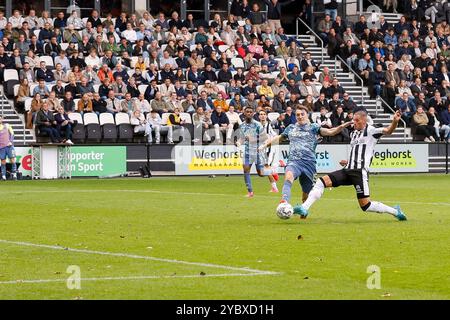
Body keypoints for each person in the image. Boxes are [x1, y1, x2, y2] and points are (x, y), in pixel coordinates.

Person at [294, 108, 407, 221]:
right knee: (321, 182)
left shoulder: (371, 131)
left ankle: (396, 211)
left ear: (364, 120)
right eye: (353, 120)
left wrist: (395, 121)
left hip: (359, 172)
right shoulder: (353, 133)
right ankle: (304, 208)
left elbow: (388, 131)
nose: (354, 122)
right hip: (348, 170)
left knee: (365, 206)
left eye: (357, 120)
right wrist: (349, 161)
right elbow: (358, 152)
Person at [260, 105, 352, 207]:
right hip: (294, 161)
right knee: (289, 176)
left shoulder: (314, 127)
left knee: (306, 195)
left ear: (307, 115)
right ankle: (284, 201)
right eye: (297, 115)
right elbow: (278, 138)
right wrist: (264, 146)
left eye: (302, 114)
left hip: (309, 164)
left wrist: (343, 126)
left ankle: (303, 212)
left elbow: (330, 132)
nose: (300, 117)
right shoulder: (291, 128)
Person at [236, 106, 279, 197]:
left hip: (258, 151)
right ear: (244, 113)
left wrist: (252, 138)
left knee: (261, 173)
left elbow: (264, 137)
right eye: (247, 112)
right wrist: (239, 142)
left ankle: (271, 171)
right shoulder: (242, 125)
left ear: (253, 113)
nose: (249, 113)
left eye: (250, 112)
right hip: (248, 152)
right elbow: (242, 138)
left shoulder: (257, 125)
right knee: (245, 170)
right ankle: (250, 192)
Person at [0, 115, 17, 180]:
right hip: (1, 147)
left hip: (9, 146)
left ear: (2, 119)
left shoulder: (7, 125)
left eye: (0, 119)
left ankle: (14, 174)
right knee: (3, 161)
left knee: (12, 160)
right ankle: (3, 176)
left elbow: (12, 134)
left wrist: (10, 141)